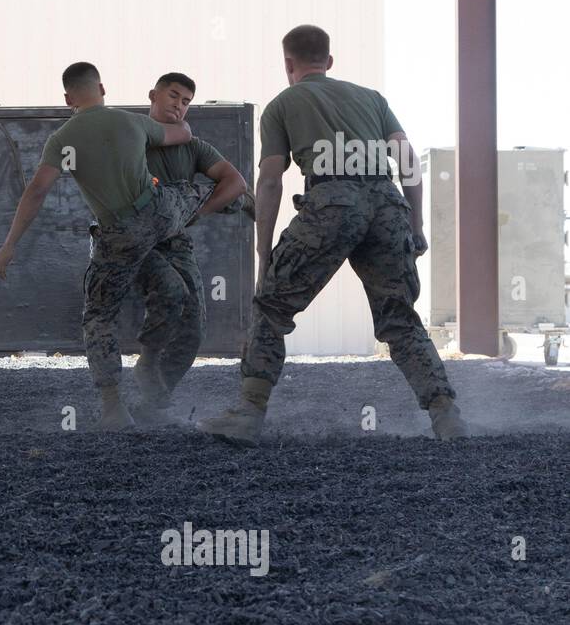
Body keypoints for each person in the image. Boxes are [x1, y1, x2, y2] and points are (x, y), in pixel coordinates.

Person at [196, 25, 467, 446]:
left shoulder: (283, 104)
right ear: (330, 61)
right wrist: (415, 226)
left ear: (288, 64)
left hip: (331, 202)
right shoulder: (372, 99)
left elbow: (270, 181)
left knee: (271, 307)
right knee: (399, 318)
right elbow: (408, 160)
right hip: (386, 202)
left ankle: (247, 414)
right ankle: (446, 414)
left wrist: (263, 250)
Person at [0, 61, 199, 429]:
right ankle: (150, 359)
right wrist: (180, 120)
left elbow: (37, 190)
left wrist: (9, 244)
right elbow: (180, 134)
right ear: (102, 89)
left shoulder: (63, 140)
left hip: (120, 233)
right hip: (158, 217)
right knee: (173, 287)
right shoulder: (131, 122)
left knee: (99, 317)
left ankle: (112, 407)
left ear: (68, 98)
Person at [130, 72, 248, 416]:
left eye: (186, 102)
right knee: (171, 295)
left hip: (175, 242)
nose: (179, 106)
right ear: (153, 94)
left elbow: (235, 182)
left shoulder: (193, 148)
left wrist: (198, 211)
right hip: (135, 242)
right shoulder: (133, 135)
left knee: (194, 329)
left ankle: (154, 401)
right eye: (173, 96)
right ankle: (147, 362)